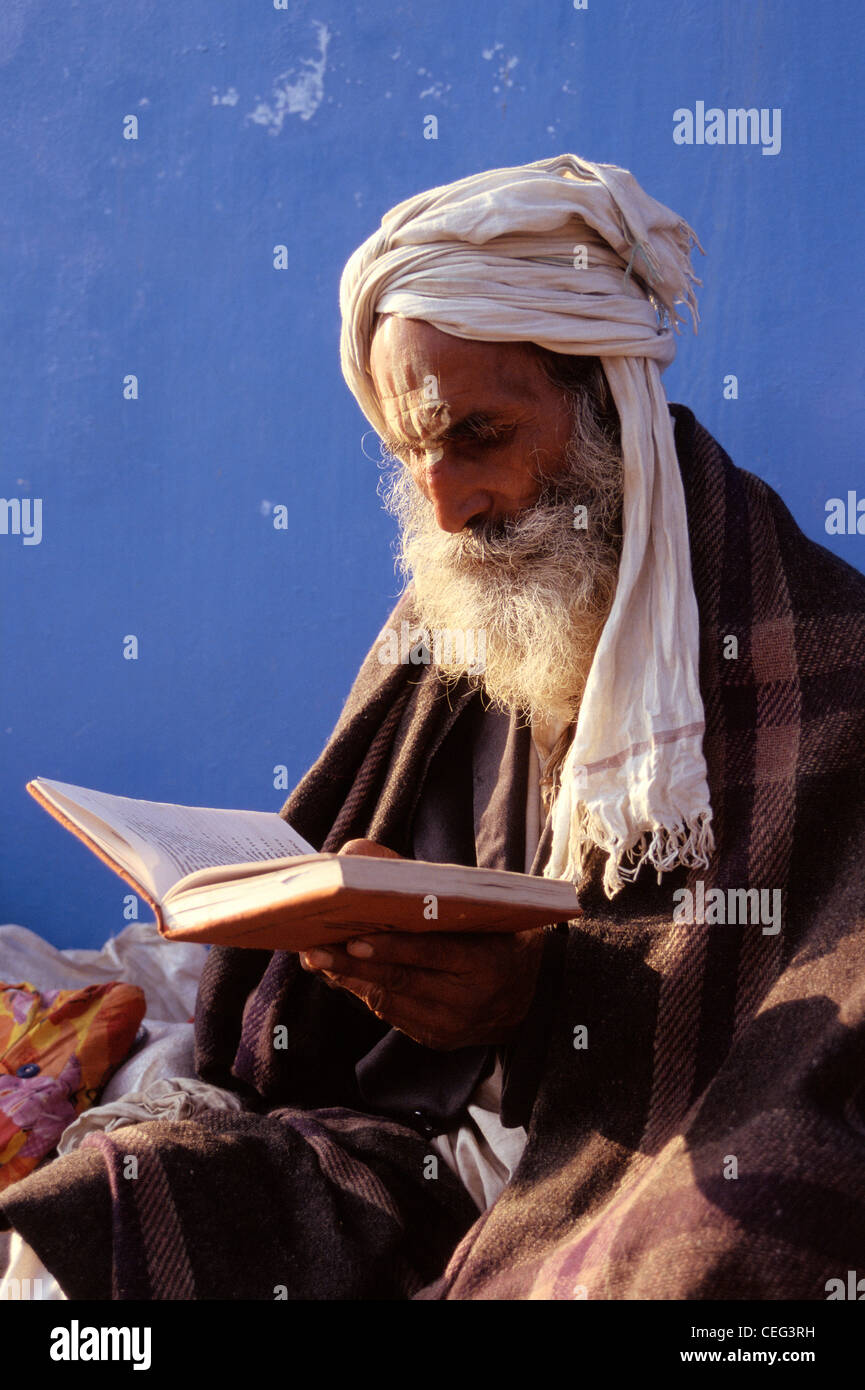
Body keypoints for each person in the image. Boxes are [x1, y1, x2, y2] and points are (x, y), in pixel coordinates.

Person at [3, 154, 865, 1301]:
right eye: (413, 454)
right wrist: (361, 949)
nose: (445, 504)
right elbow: (325, 1000)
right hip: (421, 1152)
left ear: (607, 401)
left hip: (648, 1149)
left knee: (727, 1258)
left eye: (479, 436)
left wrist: (542, 1004)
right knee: (103, 1216)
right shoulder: (454, 603)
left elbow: (799, 1024)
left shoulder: (812, 660)